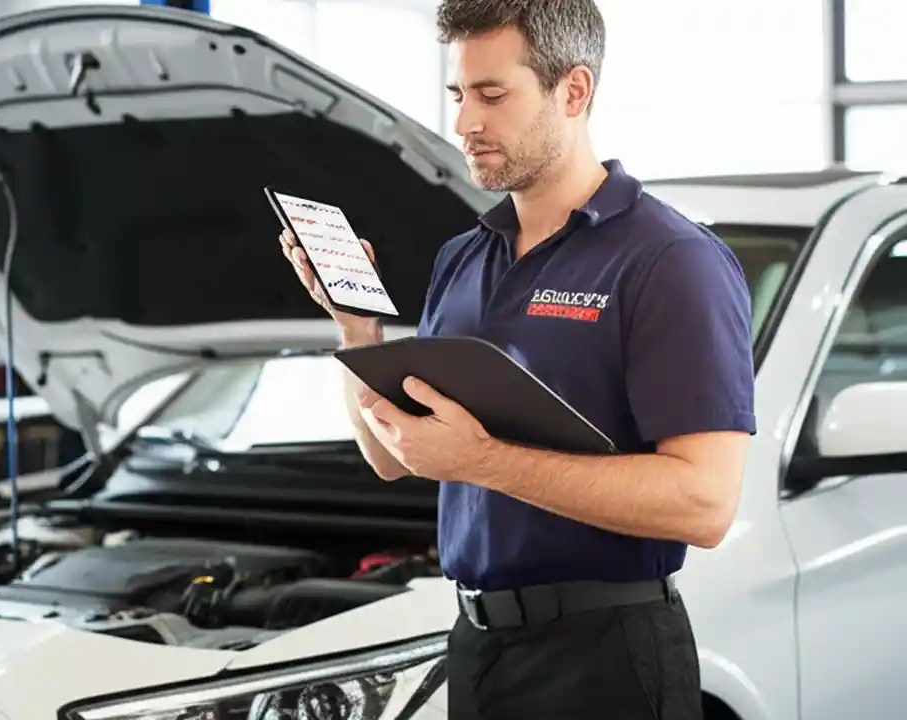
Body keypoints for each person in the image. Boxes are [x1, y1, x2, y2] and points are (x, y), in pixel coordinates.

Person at [278, 0, 755, 717]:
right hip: (476, 648)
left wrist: (481, 461)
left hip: (606, 657)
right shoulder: (463, 258)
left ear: (574, 90)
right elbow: (393, 457)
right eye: (459, 95)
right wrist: (357, 330)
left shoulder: (670, 260)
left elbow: (705, 503)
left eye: (493, 95)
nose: (466, 122)